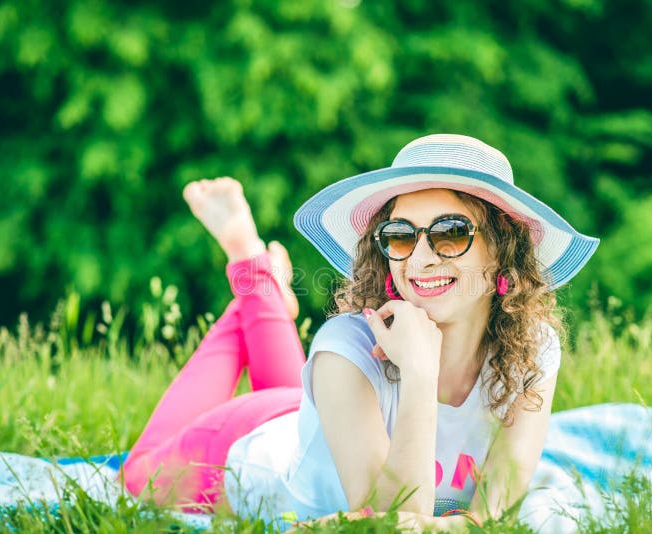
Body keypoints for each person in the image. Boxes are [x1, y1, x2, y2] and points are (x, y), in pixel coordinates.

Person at [121, 134, 599, 531]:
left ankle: (263, 289)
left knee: (306, 400)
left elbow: (494, 511)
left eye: (451, 232)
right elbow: (392, 523)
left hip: (320, 421)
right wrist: (417, 372)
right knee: (133, 481)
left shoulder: (533, 348)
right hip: (235, 451)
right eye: (400, 235)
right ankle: (252, 274)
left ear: (503, 248)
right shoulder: (345, 350)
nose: (421, 257)